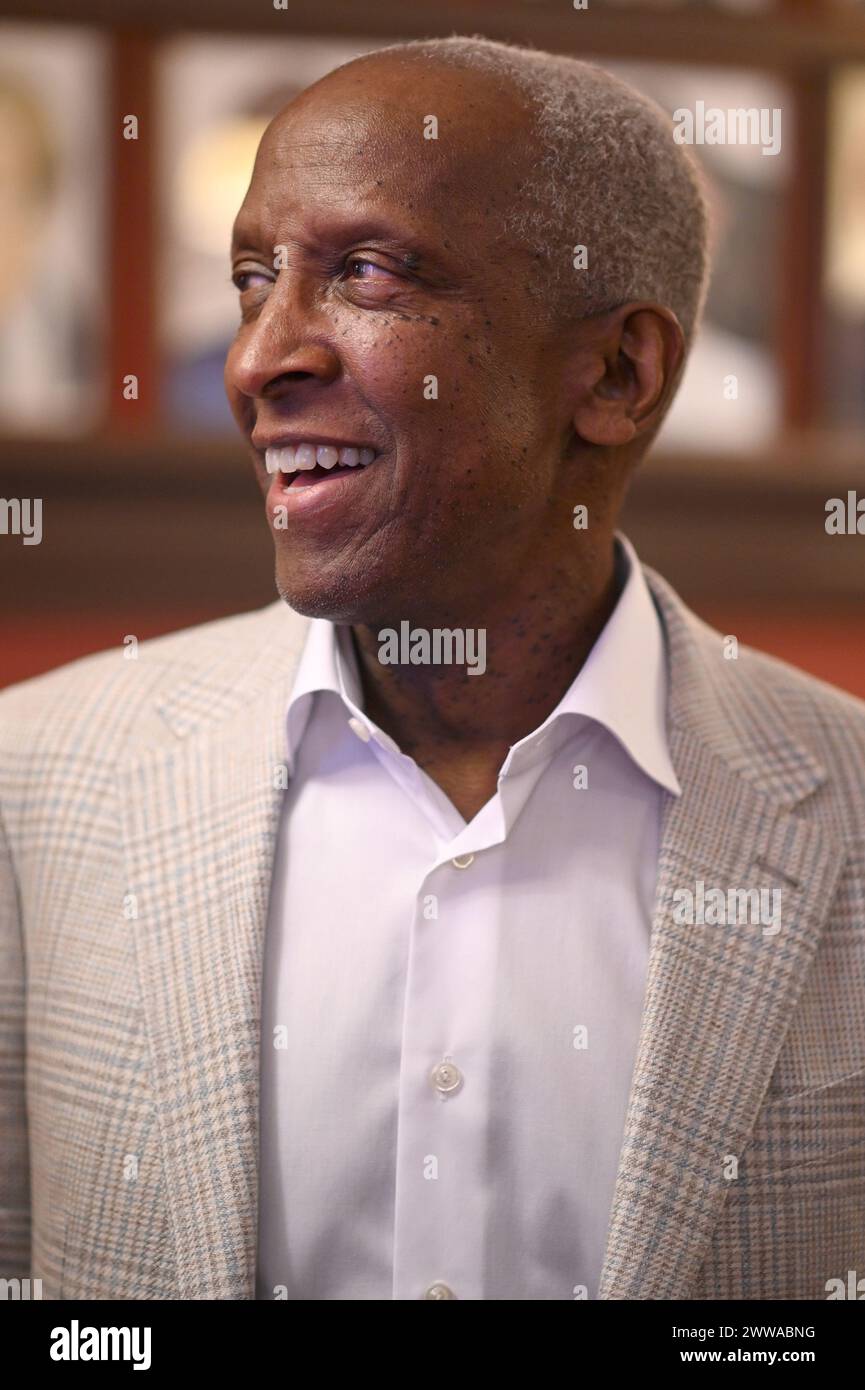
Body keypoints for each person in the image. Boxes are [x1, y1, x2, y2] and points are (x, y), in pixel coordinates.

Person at [1, 36, 863, 1302]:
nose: (257, 361)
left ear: (617, 372)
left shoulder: (841, 809)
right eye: (253, 280)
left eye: (366, 272)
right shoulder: (35, 783)